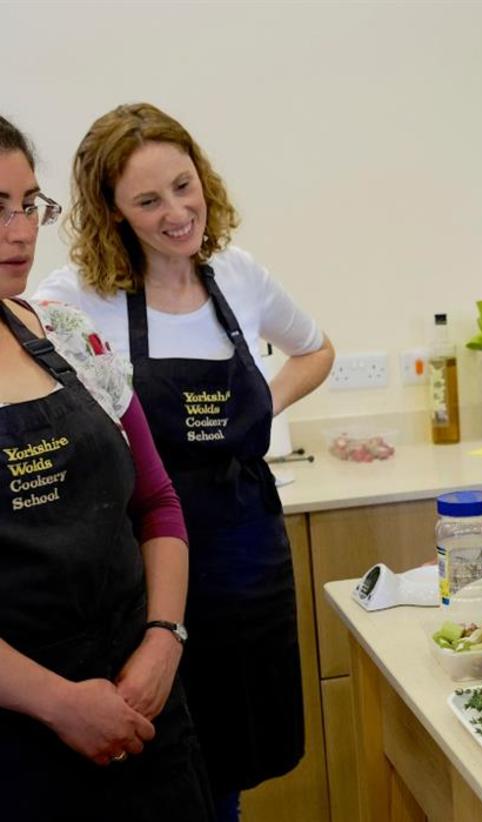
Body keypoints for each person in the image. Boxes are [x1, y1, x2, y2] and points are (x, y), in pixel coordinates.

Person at [35, 103, 335, 819]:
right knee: (162, 760)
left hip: (243, 551)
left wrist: (264, 401)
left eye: (183, 184)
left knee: (234, 753)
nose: (176, 212)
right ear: (113, 213)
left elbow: (316, 349)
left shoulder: (238, 274)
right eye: (147, 199)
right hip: (143, 563)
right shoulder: (73, 300)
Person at [0, 115, 213, 819]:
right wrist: (59, 703)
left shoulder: (65, 333)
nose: (22, 229)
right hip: (22, 743)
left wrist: (163, 639)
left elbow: (156, 504)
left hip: (145, 707)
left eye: (28, 203)